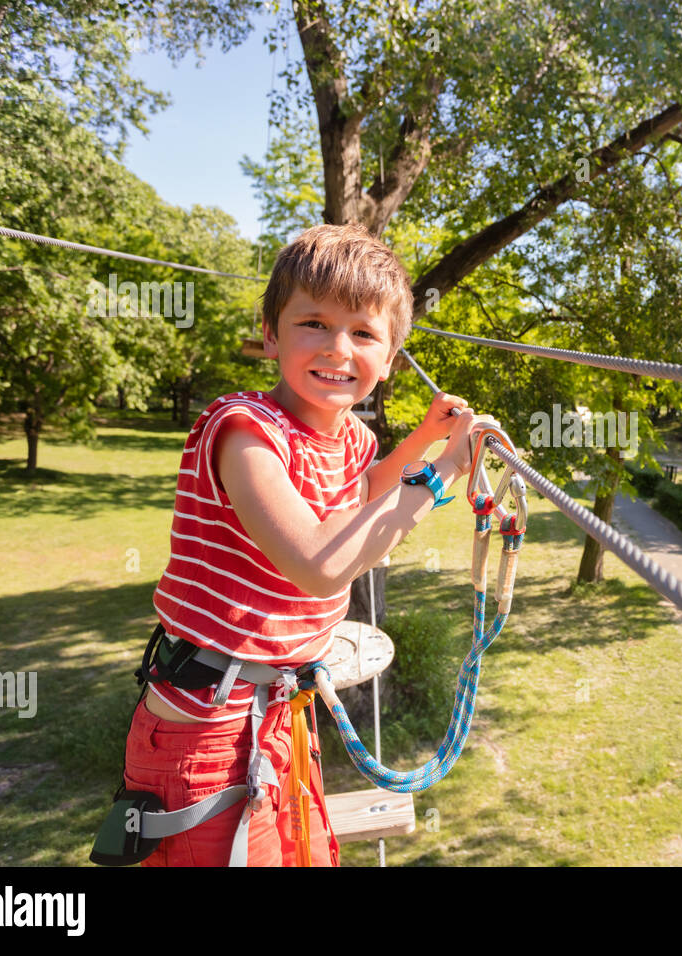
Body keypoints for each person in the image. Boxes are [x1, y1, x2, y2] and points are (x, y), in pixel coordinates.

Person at [120, 223, 477, 866]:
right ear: (270, 333)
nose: (339, 348)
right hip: (206, 728)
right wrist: (446, 472)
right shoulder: (244, 430)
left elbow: (366, 490)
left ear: (390, 357)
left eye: (365, 333)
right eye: (314, 322)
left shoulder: (355, 441)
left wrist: (424, 439)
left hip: (281, 711)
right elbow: (319, 563)